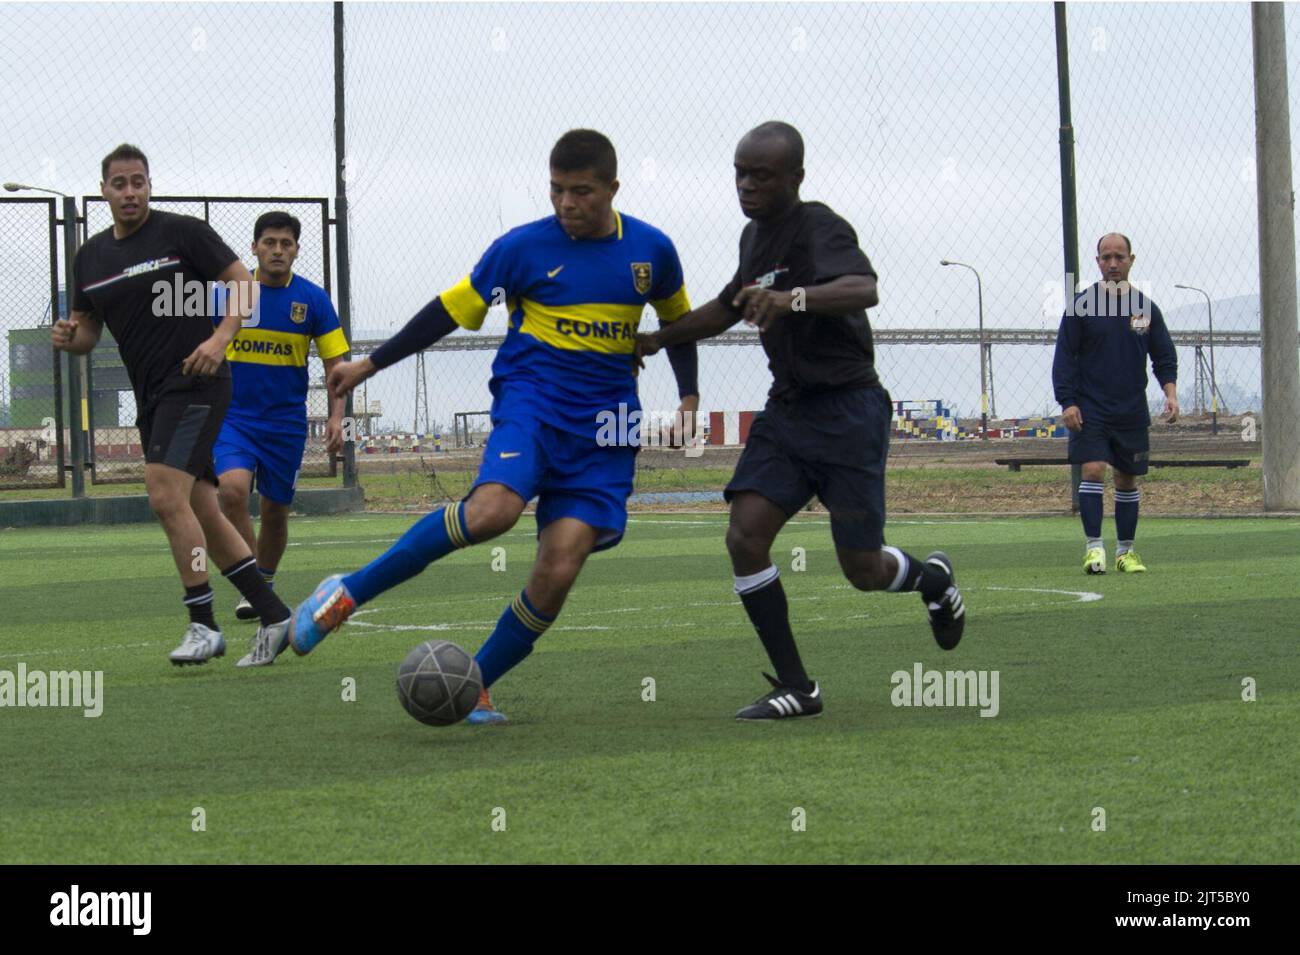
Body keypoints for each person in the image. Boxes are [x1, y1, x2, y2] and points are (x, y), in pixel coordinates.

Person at [259, 130, 700, 725]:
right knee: (492, 512)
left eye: (582, 192)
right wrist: (369, 364)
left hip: (608, 426)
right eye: (557, 190)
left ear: (612, 190)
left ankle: (475, 684)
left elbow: (680, 324)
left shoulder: (652, 251)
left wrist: (690, 397)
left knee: (560, 565)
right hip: (533, 405)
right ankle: (349, 590)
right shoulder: (521, 250)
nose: (567, 203)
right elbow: (450, 310)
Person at [637, 121, 966, 721]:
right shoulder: (751, 239)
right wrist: (659, 339)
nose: (746, 185)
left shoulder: (819, 226)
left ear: (795, 177)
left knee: (862, 568)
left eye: (761, 175)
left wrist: (793, 300)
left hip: (848, 411)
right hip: (788, 411)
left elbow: (864, 288)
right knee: (744, 536)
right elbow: (726, 306)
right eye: (739, 172)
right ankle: (797, 687)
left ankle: (934, 581)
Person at [52, 144, 292, 665]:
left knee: (164, 496)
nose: (130, 192)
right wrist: (69, 336)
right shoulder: (89, 257)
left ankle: (203, 625)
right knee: (203, 509)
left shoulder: (181, 232)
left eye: (138, 181)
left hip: (197, 381)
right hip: (152, 397)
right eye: (120, 184)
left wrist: (220, 339)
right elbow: (87, 332)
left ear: (149, 185)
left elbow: (243, 285)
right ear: (104, 192)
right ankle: (275, 615)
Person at [211, 211, 349, 663]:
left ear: (296, 249)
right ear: (253, 248)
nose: (276, 250)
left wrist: (336, 417)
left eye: (285, 243)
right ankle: (254, 584)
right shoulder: (226, 296)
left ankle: (262, 584)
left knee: (274, 511)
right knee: (231, 491)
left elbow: (336, 367)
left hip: (285, 425)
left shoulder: (312, 300)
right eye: (268, 242)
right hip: (233, 418)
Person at [1052, 232, 1178, 574]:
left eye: (1119, 257)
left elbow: (1163, 355)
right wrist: (1068, 401)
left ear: (1131, 260)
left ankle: (1126, 552)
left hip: (1131, 410)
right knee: (1093, 470)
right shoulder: (1081, 306)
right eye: (1106, 257)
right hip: (1090, 408)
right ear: (1097, 263)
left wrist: (1170, 393)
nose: (1112, 264)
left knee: (1126, 479)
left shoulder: (1145, 309)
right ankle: (1094, 549)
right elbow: (1064, 357)